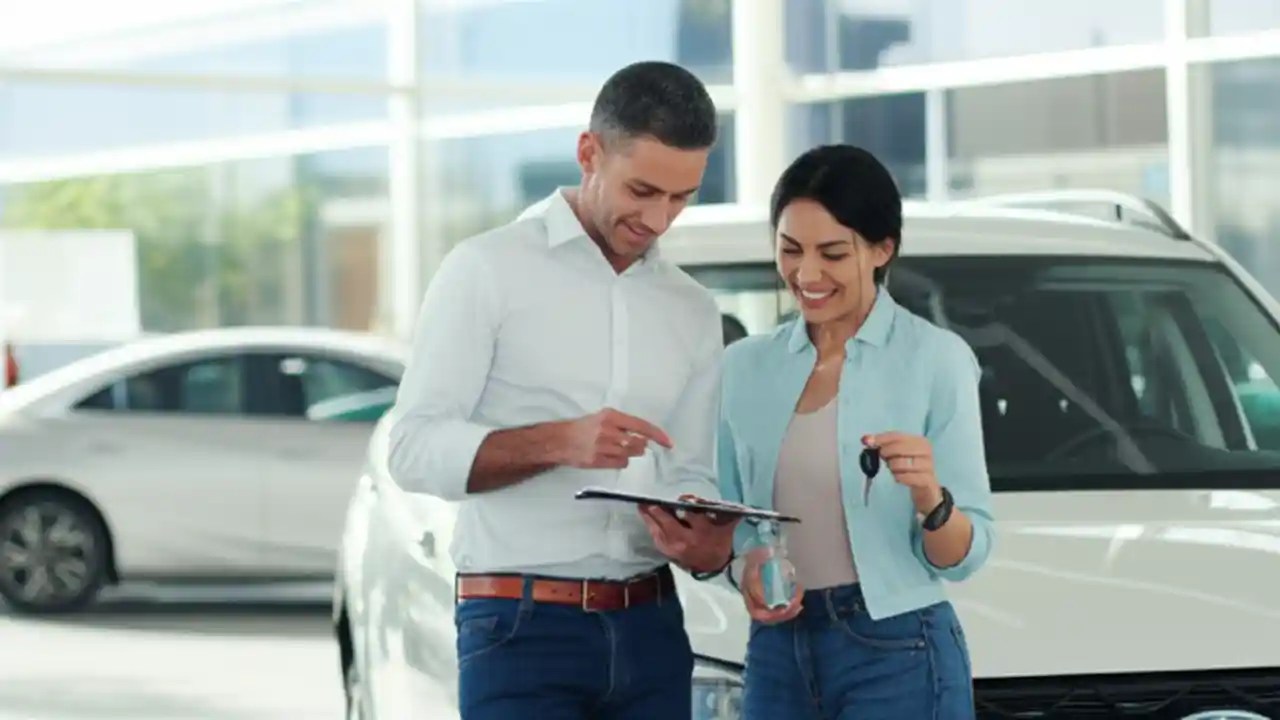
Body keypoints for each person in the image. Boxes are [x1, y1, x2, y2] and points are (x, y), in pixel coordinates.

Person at [385, 60, 739, 720]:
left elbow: (691, 469)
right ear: (588, 153)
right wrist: (562, 441)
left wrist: (708, 544)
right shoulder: (485, 270)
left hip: (653, 626)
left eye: (680, 197)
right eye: (642, 190)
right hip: (519, 630)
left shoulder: (692, 310)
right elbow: (410, 448)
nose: (659, 219)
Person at [716, 144, 996, 719]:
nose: (807, 274)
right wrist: (736, 565)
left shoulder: (935, 360)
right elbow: (728, 523)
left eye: (833, 253)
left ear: (881, 249)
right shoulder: (743, 368)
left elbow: (965, 556)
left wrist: (929, 498)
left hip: (897, 645)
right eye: (790, 250)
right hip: (777, 645)